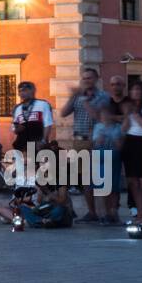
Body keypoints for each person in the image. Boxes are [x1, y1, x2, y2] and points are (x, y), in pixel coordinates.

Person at [59, 68, 109, 222]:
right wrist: (73, 96)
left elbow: (99, 116)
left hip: (98, 140)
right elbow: (64, 113)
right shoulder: (78, 96)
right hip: (80, 140)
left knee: (101, 177)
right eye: (84, 78)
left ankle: (105, 212)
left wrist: (86, 101)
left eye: (89, 78)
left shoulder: (103, 96)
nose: (87, 81)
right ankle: (92, 212)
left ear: (96, 79)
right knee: (86, 179)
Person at [89, 75, 126, 224]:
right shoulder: (97, 127)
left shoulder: (117, 128)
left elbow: (119, 145)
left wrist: (114, 140)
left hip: (113, 158)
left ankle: (113, 212)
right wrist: (98, 141)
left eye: (107, 114)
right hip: (100, 158)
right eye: (102, 114)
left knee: (114, 187)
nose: (105, 116)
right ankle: (104, 213)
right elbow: (93, 144)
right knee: (101, 187)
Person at [121, 81, 142, 226]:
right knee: (133, 181)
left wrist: (135, 113)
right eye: (133, 89)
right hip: (130, 141)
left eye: (138, 89)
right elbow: (124, 128)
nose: (136, 92)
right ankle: (139, 213)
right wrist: (127, 115)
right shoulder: (129, 107)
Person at [12, 82, 54, 152]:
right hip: (22, 146)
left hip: (38, 144)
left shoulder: (43, 104)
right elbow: (14, 128)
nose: (22, 93)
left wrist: (43, 141)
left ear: (32, 91)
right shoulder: (17, 108)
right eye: (20, 91)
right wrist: (17, 129)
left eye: (25, 90)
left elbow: (48, 124)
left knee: (35, 162)